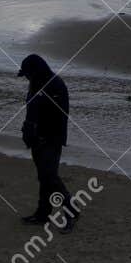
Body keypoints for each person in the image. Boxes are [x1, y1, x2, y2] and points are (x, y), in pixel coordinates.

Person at [17, 54, 76, 231]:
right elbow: (32, 112)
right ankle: (43, 213)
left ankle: (70, 210)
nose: (26, 77)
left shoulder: (55, 85)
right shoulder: (36, 83)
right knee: (44, 178)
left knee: (50, 177)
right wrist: (29, 132)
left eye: (28, 73)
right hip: (36, 139)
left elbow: (58, 117)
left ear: (36, 70)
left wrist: (42, 135)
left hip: (51, 139)